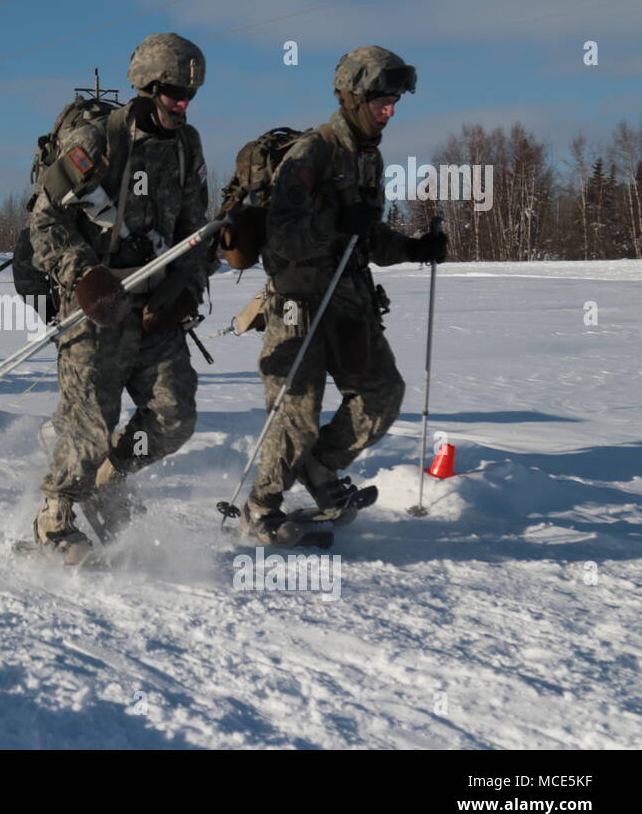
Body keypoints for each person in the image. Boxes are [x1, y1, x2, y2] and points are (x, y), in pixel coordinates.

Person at [242, 45, 447, 543]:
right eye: (381, 99)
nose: (390, 110)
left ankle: (320, 469)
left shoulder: (369, 159)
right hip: (299, 301)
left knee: (381, 394)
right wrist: (334, 222)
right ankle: (261, 506)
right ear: (353, 96)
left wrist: (417, 249)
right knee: (298, 411)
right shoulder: (312, 154)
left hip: (349, 297)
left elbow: (368, 237)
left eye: (395, 100)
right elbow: (281, 235)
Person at [26, 33, 213, 563]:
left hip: (157, 307)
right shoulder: (96, 140)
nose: (182, 104)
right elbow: (43, 222)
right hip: (98, 308)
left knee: (175, 418)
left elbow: (195, 228)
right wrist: (84, 275)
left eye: (189, 95)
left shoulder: (187, 145)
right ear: (148, 86)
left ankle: (109, 480)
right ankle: (54, 516)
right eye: (174, 92)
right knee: (89, 423)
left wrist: (187, 288)